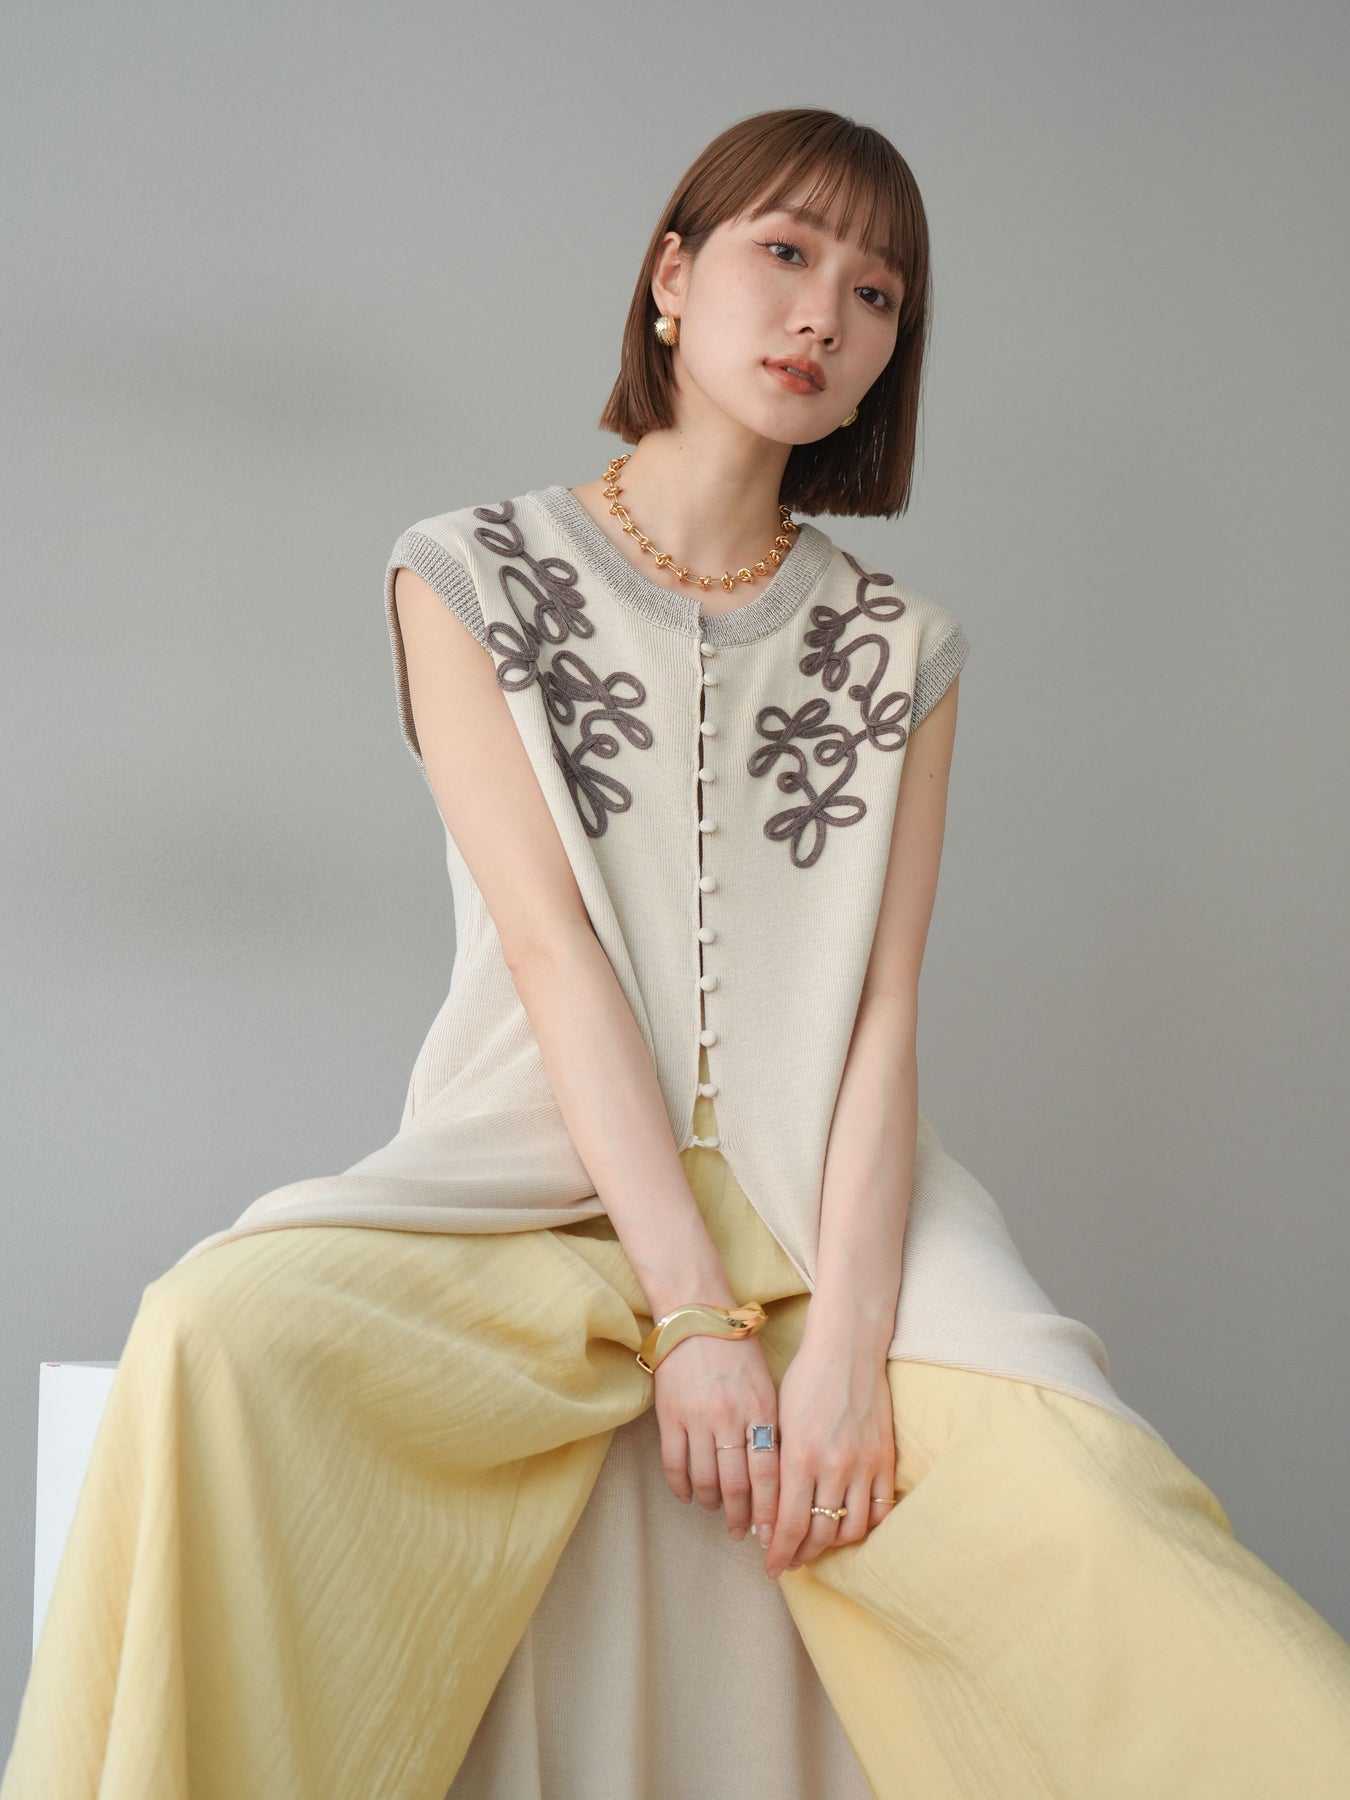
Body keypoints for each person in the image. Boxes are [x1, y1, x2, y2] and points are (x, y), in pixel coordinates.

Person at [7, 105, 1350, 1800]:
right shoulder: (465, 577)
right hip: (536, 1192)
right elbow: (553, 950)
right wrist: (694, 1317)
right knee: (218, 1333)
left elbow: (880, 1010)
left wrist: (844, 1349)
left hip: (840, 1208)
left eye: (876, 294)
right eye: (784, 253)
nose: (822, 314)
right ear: (669, 276)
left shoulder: (904, 649)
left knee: (1100, 1518)